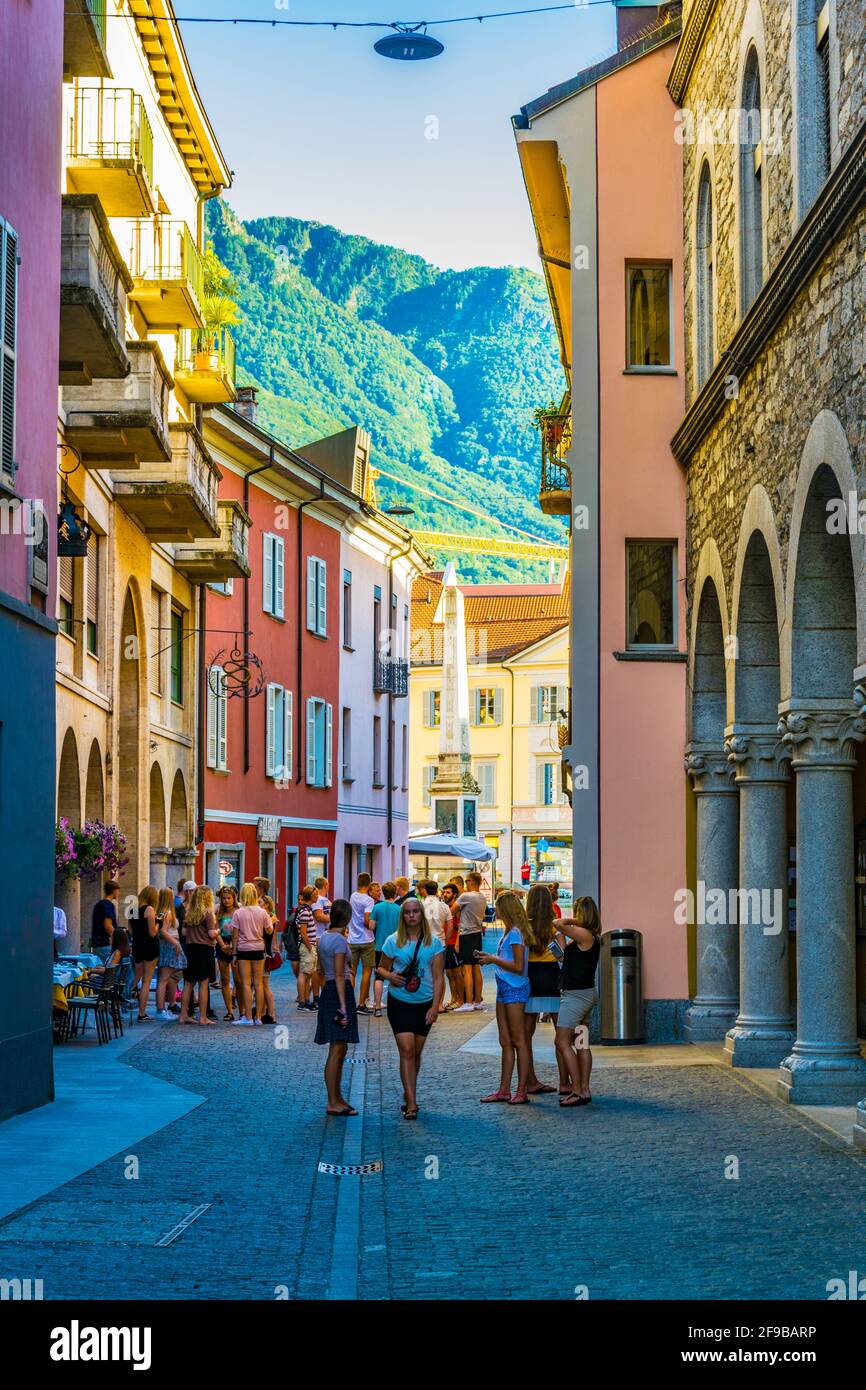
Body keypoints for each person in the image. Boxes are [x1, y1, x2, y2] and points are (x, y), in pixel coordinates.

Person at [377, 896, 445, 1120]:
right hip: (399, 1003)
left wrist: (436, 1006)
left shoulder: (433, 943)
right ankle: (412, 1103)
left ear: (421, 915)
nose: (412, 915)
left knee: (416, 1052)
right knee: (406, 1050)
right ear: (402, 916)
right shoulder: (392, 941)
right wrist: (391, 977)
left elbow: (438, 977)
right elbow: (381, 969)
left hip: (424, 1003)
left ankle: (409, 1093)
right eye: (408, 912)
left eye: (416, 911)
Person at [475, 890, 534, 1105]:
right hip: (504, 987)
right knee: (505, 1041)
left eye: (498, 906)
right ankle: (504, 1089)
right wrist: (493, 958)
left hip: (515, 988)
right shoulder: (510, 932)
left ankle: (521, 1090)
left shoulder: (516, 933)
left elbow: (519, 967)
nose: (494, 910)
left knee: (519, 1041)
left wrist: (492, 959)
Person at [314, 898, 360, 1116]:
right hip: (339, 992)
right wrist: (343, 1006)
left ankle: (337, 1097)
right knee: (337, 1050)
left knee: (339, 1049)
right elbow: (341, 975)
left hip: (328, 990)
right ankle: (333, 1101)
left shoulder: (324, 937)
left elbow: (322, 970)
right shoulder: (340, 941)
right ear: (348, 917)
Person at [555, 896, 602, 1107]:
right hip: (584, 994)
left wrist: (573, 921)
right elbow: (573, 961)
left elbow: (557, 923)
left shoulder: (584, 934)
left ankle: (577, 1089)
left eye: (576, 911)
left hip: (576, 997)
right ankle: (584, 1089)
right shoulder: (587, 937)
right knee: (581, 1042)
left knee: (562, 1041)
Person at [523, 884, 565, 1095]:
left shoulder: (523, 927)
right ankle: (565, 1081)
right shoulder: (553, 926)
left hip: (530, 976)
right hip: (551, 976)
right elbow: (563, 956)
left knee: (526, 1035)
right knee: (562, 1032)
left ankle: (530, 1080)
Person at [231, 883, 272, 1025]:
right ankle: (259, 1018)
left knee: (246, 984)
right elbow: (269, 930)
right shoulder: (262, 912)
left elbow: (235, 936)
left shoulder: (238, 913)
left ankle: (248, 1017)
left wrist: (234, 954)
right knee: (259, 983)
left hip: (243, 950)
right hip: (258, 949)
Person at [180, 886, 219, 1026]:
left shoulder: (189, 913)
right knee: (203, 983)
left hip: (191, 949)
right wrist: (218, 930)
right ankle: (203, 1017)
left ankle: (183, 1015)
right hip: (204, 950)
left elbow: (184, 933)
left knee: (188, 983)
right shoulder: (208, 912)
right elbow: (211, 934)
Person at [454, 871, 486, 1012]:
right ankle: (477, 1000)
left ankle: (468, 1002)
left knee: (467, 968)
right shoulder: (482, 897)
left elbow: (451, 911)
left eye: (466, 881)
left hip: (466, 934)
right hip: (477, 934)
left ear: (472, 882)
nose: (465, 884)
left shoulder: (466, 896)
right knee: (476, 967)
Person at [370, 881, 401, 1017]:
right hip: (395, 946)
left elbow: (371, 926)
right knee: (395, 976)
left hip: (379, 946)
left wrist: (378, 924)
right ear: (395, 893)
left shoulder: (377, 907)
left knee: (379, 976)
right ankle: (396, 1007)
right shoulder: (399, 909)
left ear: (383, 892)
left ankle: (377, 1007)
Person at [155, 887, 186, 1020]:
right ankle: (160, 1010)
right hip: (169, 946)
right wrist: (176, 943)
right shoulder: (167, 912)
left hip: (168, 945)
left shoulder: (162, 912)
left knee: (165, 979)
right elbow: (163, 931)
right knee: (163, 980)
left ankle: (163, 1008)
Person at [348, 872, 376, 1014]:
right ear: (369, 884)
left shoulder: (353, 896)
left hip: (352, 939)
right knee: (366, 972)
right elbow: (367, 920)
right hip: (366, 939)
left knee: (351, 971)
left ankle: (350, 1002)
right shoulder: (369, 900)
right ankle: (361, 1004)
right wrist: (374, 925)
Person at [131, 886, 160, 1022]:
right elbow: (152, 932)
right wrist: (159, 923)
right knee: (146, 981)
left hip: (137, 946)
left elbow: (132, 930)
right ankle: (142, 1013)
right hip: (149, 946)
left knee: (135, 978)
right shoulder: (149, 909)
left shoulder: (132, 909)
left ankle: (123, 1001)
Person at [215, 885, 239, 1020]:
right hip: (222, 944)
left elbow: (241, 930)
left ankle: (241, 1011)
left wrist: (232, 945)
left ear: (233, 898)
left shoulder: (238, 911)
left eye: (229, 898)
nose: (226, 900)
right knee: (224, 980)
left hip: (235, 944)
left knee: (238, 980)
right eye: (224, 898)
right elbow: (215, 929)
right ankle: (229, 1011)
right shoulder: (218, 912)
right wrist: (223, 945)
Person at [440, 882, 464, 1010]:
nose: (445, 895)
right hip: (446, 943)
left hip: (453, 943)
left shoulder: (456, 908)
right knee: (449, 973)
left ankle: (460, 1000)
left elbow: (461, 926)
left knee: (457, 973)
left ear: (454, 894)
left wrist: (457, 943)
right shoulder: (445, 907)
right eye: (444, 892)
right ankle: (454, 998)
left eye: (448, 892)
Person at [296, 885, 319, 1010]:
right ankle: (302, 1002)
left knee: (308, 973)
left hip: (309, 945)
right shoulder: (305, 912)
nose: (317, 896)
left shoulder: (307, 910)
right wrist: (310, 946)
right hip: (306, 946)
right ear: (310, 896)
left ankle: (305, 999)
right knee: (304, 973)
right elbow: (303, 932)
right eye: (315, 894)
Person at [90, 880, 119, 964]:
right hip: (105, 943)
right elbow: (108, 925)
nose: (118, 893)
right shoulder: (108, 905)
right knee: (108, 969)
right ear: (113, 890)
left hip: (97, 944)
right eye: (118, 890)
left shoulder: (99, 904)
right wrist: (116, 939)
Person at [260, 893, 279, 1024]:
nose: (257, 904)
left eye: (260, 902)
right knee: (263, 985)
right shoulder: (271, 917)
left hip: (264, 954)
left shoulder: (268, 918)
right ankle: (266, 1012)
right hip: (267, 952)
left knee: (264, 985)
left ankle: (270, 1013)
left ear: (266, 904)